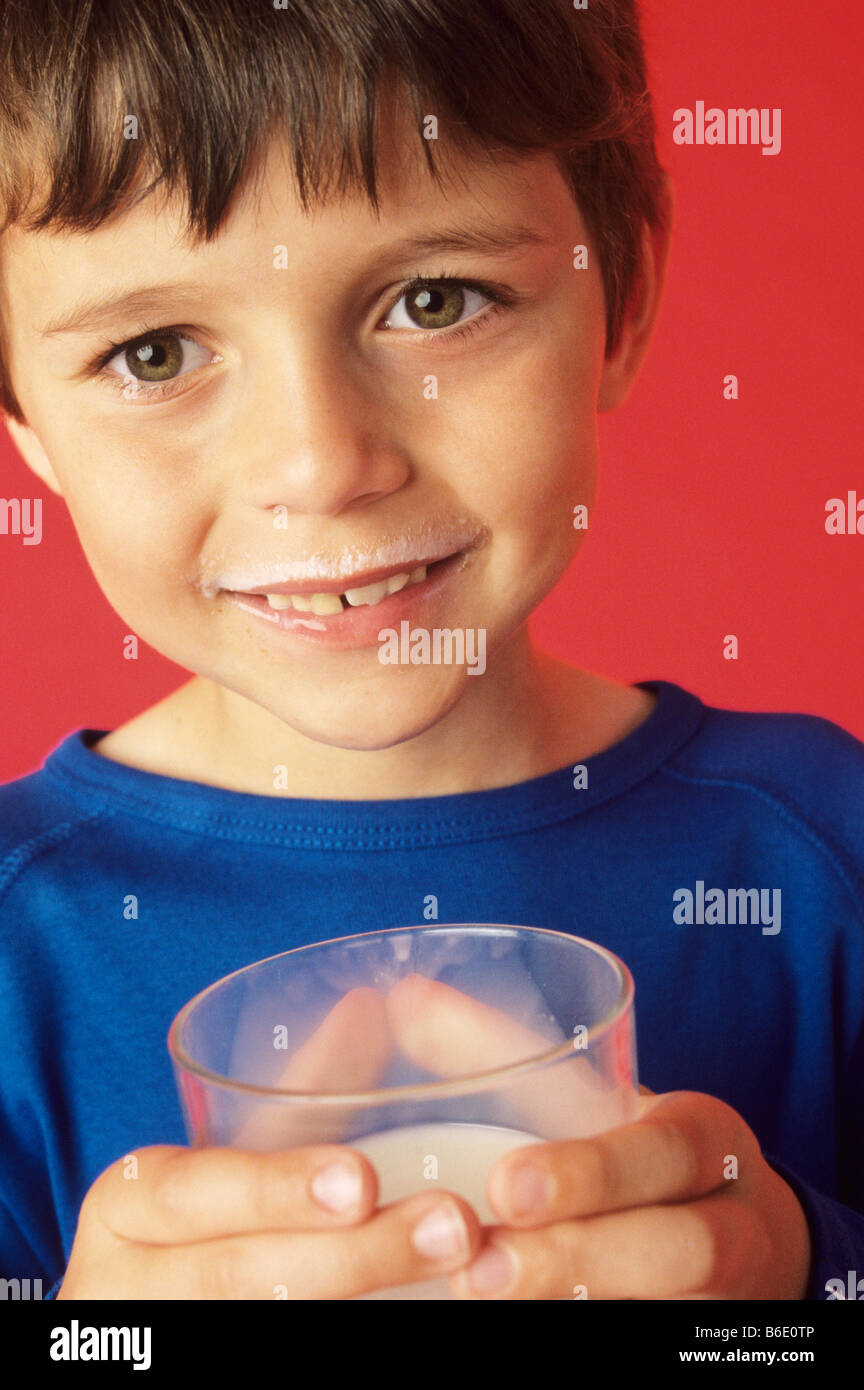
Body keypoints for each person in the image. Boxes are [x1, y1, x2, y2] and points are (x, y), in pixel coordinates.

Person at [0, 0, 862, 1301]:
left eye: (435, 298)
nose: (322, 464)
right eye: (154, 351)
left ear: (618, 292)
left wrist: (799, 1275)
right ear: (25, 421)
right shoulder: (21, 951)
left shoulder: (821, 846)